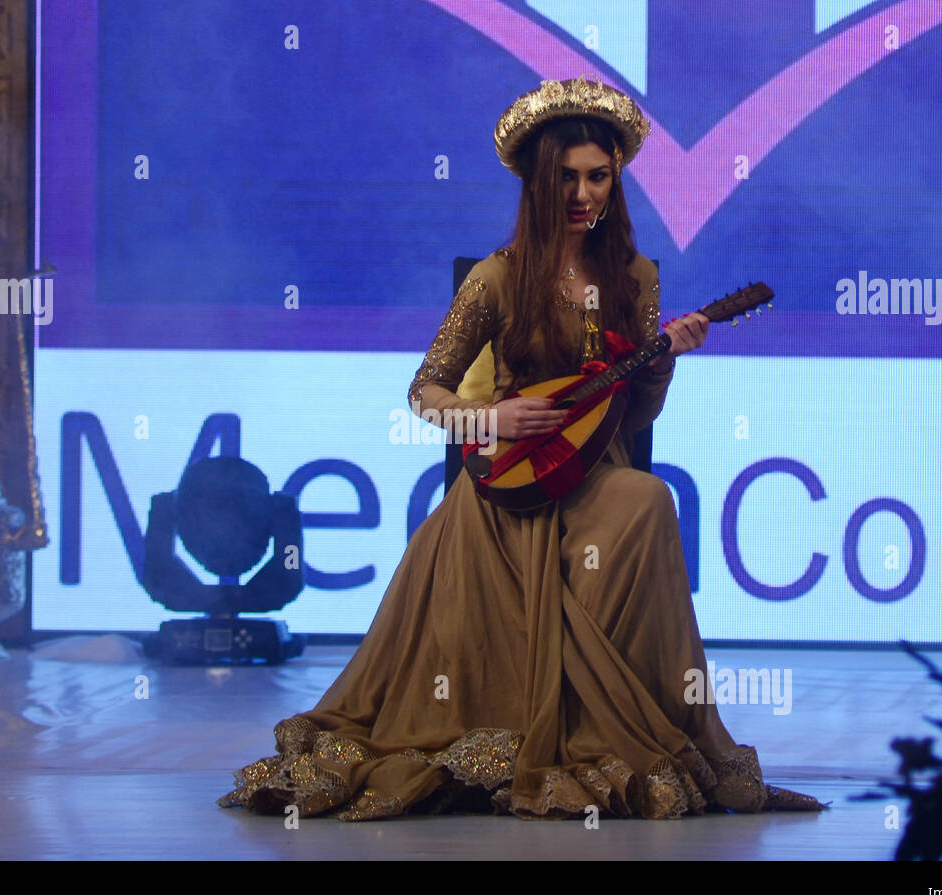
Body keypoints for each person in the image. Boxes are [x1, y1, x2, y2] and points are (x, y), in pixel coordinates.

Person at [218, 77, 825, 820]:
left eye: (597, 176)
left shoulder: (634, 279)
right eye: (565, 177)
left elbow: (633, 416)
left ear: (615, 179)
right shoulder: (496, 278)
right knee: (631, 503)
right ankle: (553, 728)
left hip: (594, 473)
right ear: (539, 182)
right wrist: (495, 420)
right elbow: (425, 393)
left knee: (647, 499)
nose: (582, 192)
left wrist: (662, 360)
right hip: (507, 493)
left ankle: (607, 725)